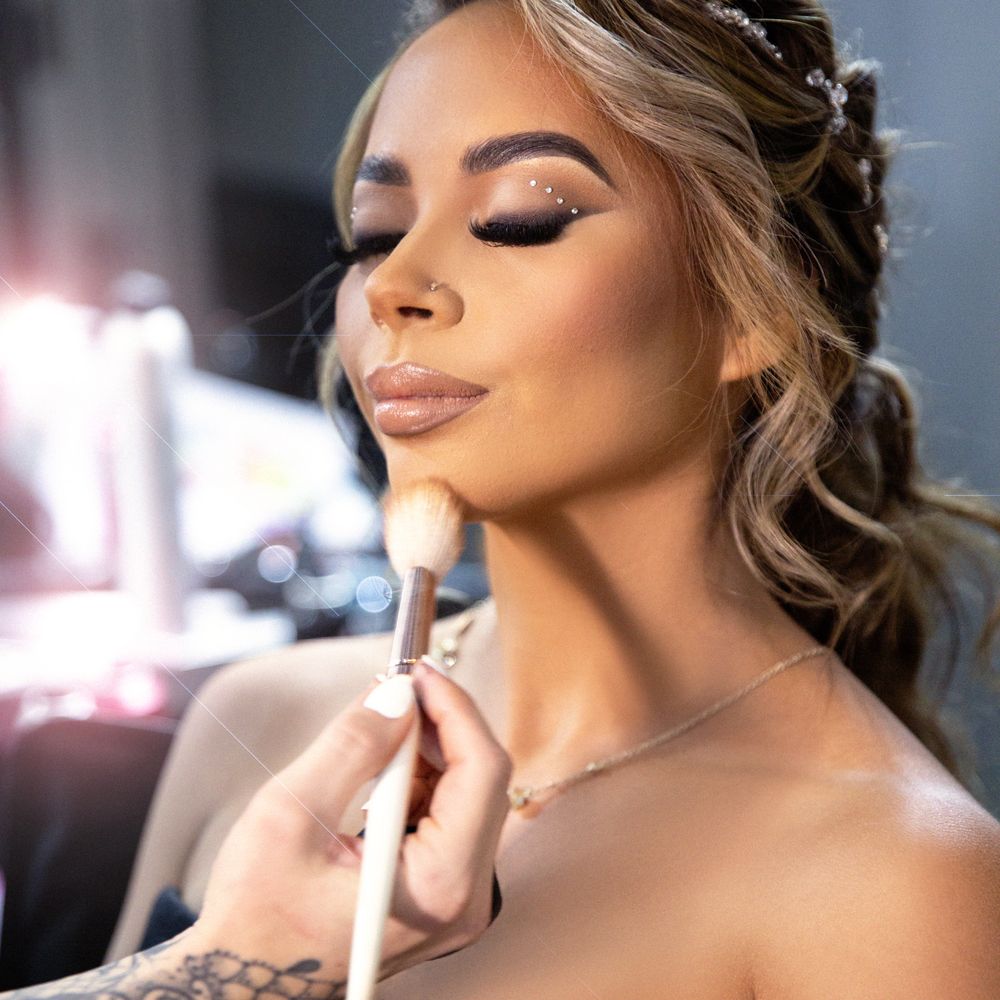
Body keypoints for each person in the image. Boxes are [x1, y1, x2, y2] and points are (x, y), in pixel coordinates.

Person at [98, 0, 1000, 996]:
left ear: (754, 306)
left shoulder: (897, 883)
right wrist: (239, 964)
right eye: (376, 233)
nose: (396, 282)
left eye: (519, 218)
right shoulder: (257, 722)